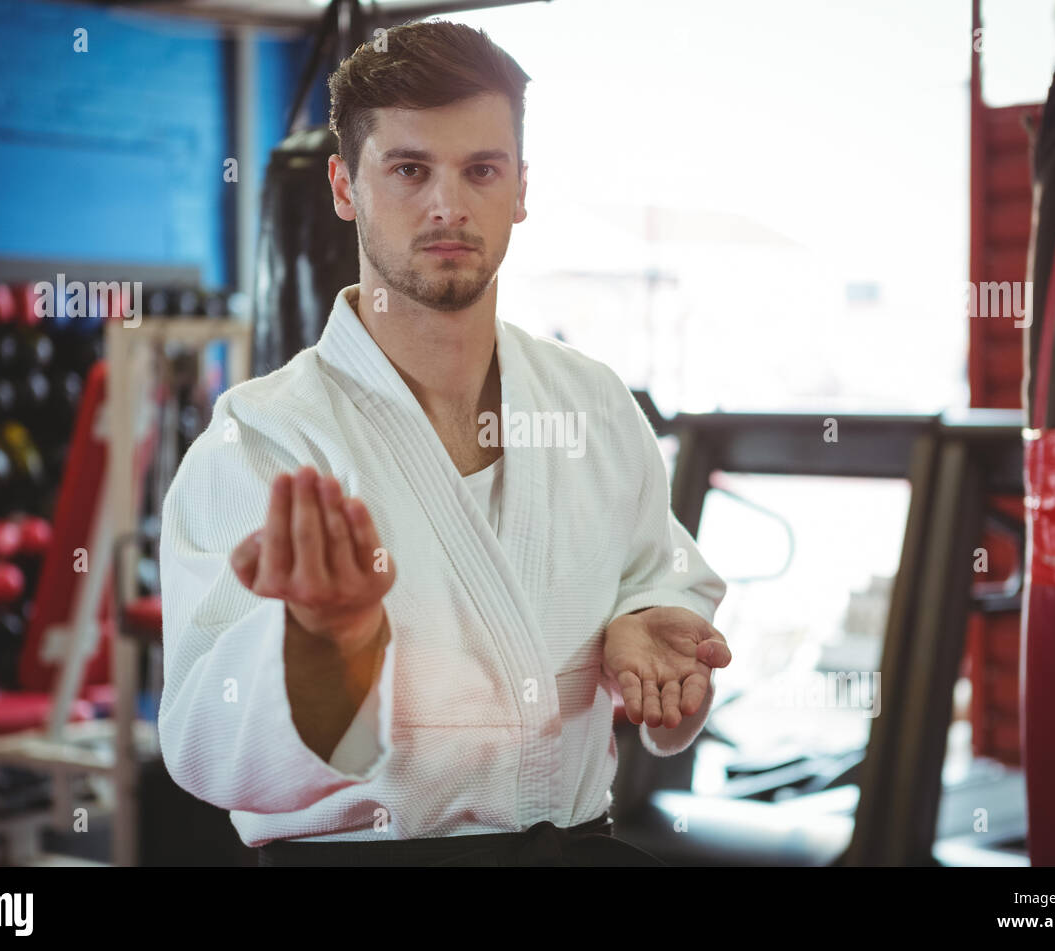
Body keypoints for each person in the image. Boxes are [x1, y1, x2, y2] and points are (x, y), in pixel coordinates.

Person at [158, 18, 730, 866]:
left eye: (482, 170)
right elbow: (204, 749)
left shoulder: (593, 405)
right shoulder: (263, 443)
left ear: (521, 189)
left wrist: (651, 630)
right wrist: (330, 646)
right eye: (410, 169)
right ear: (346, 186)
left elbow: (657, 577)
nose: (449, 205)